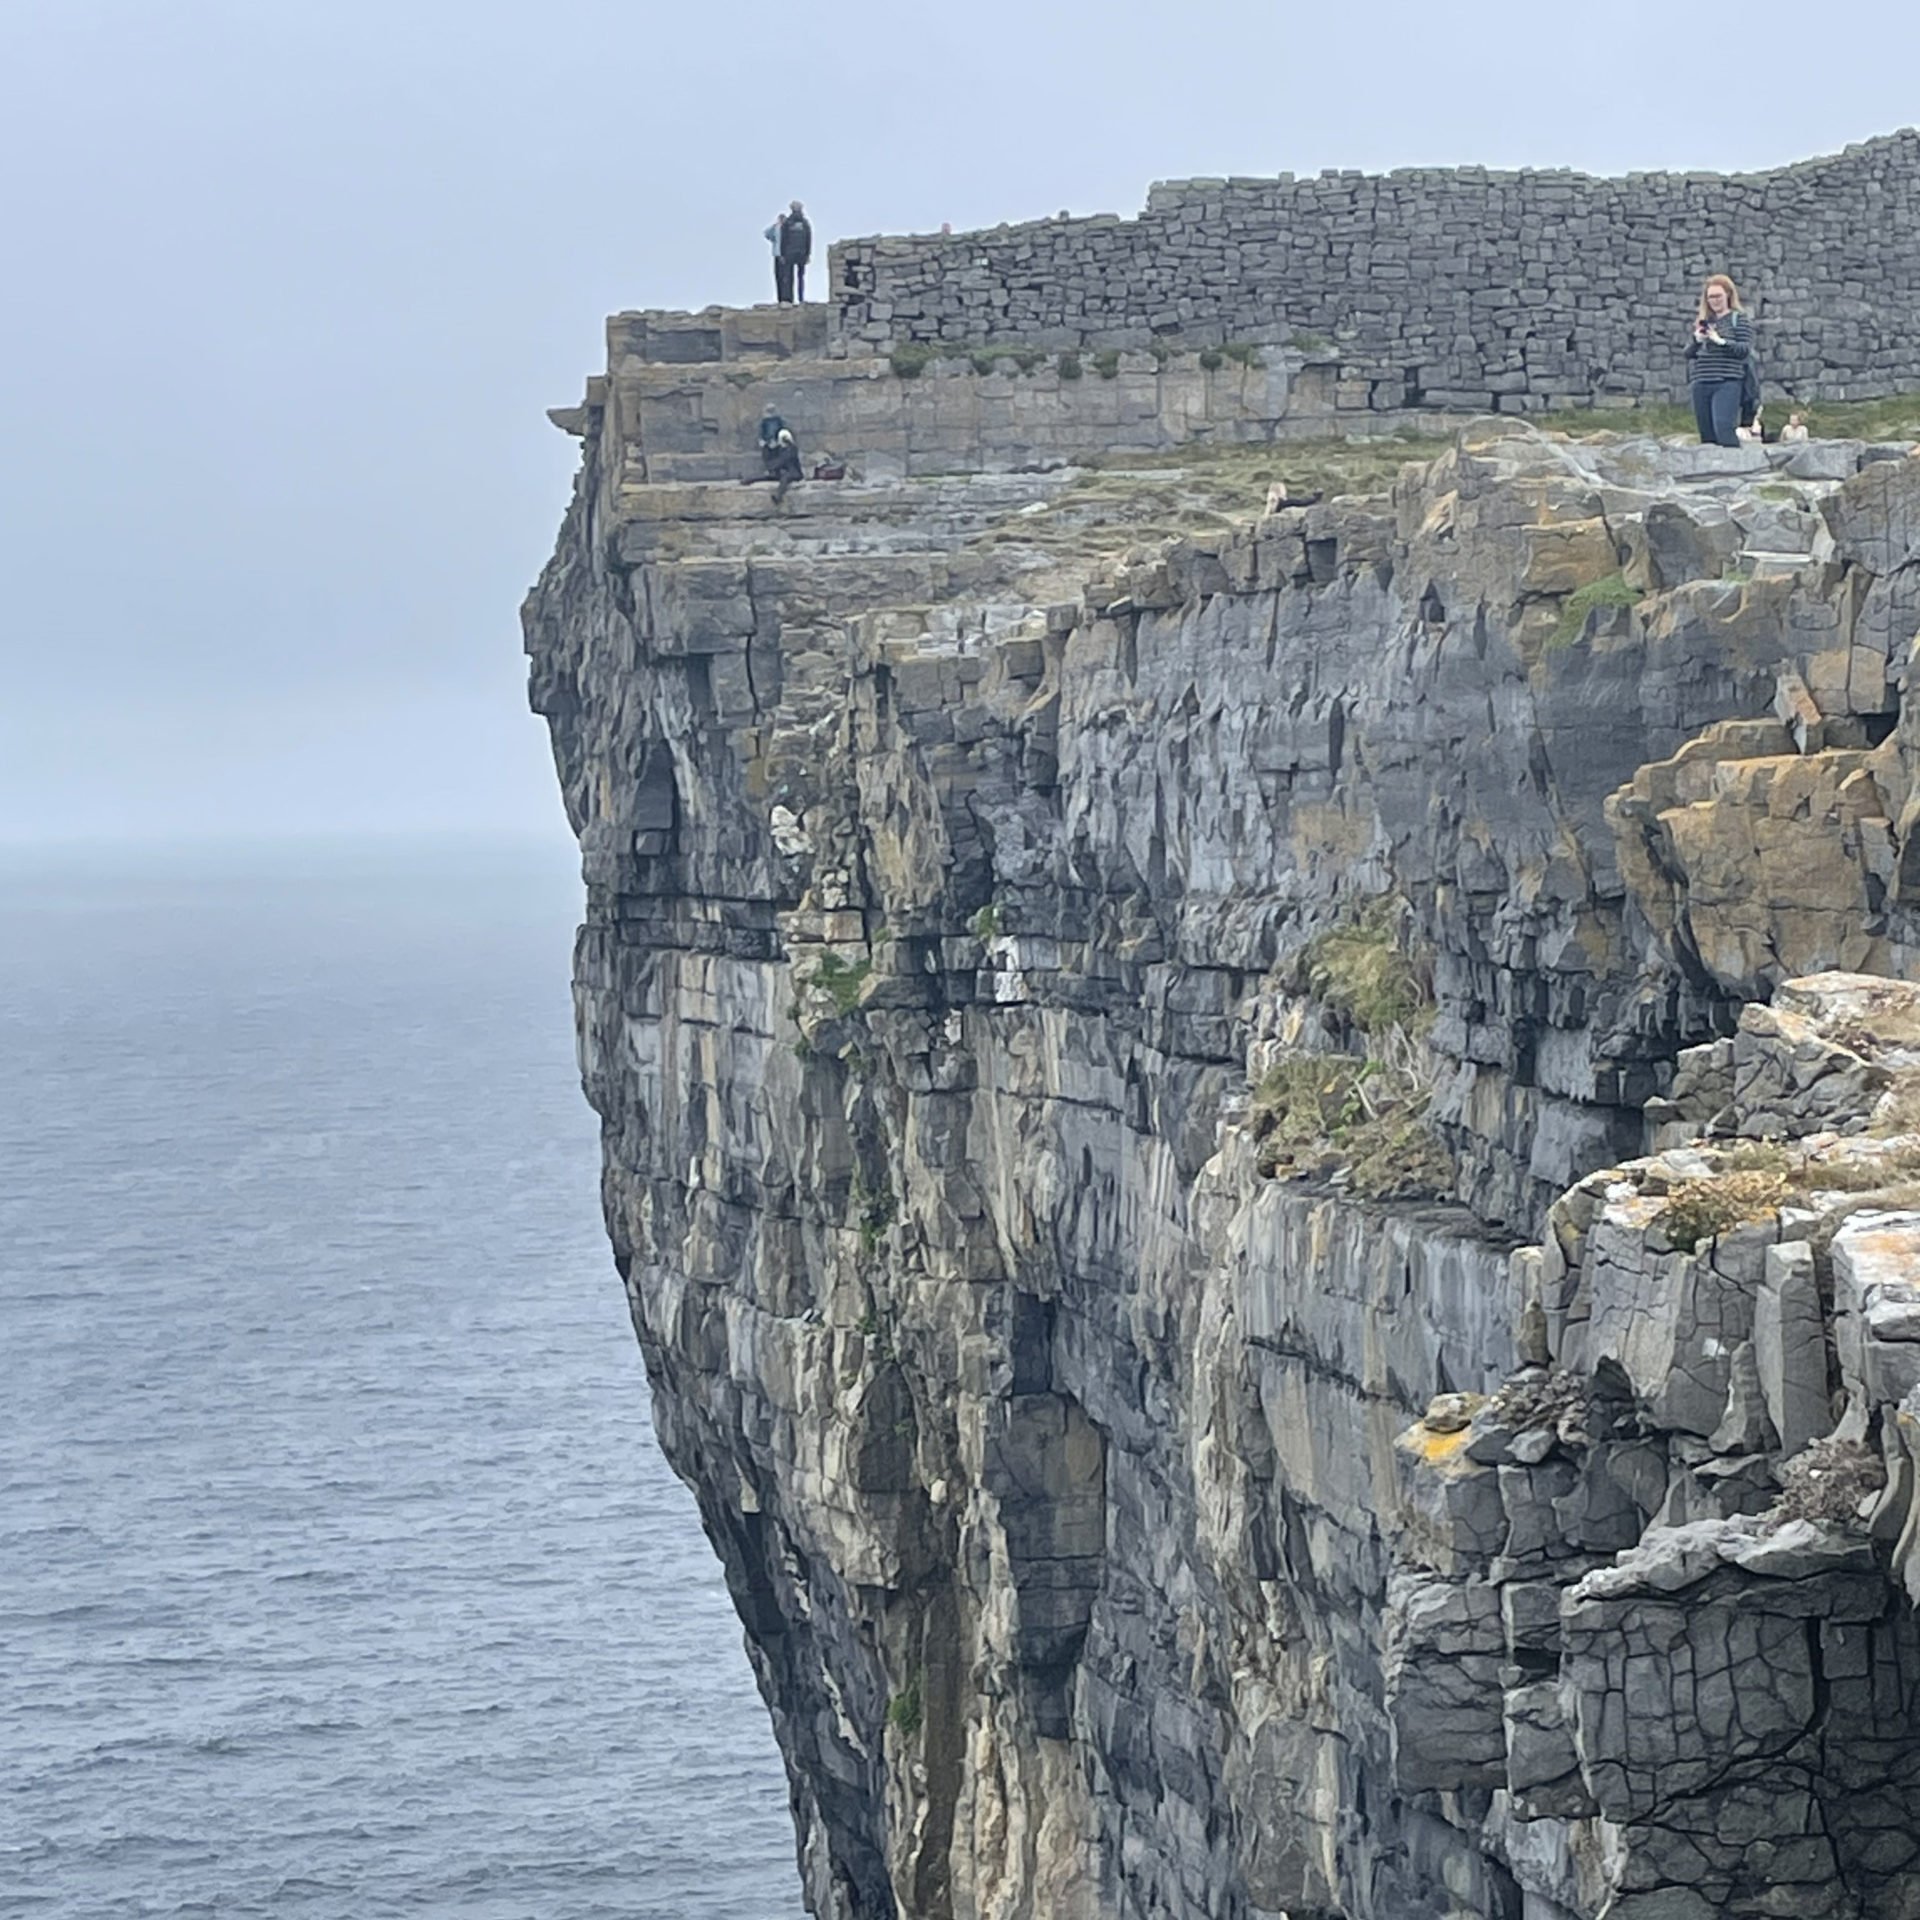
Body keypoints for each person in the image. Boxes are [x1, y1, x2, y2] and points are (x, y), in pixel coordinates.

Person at [1685, 274, 1753, 448]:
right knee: (1707, 434)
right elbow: (1688, 353)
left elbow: (1744, 350)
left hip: (1727, 381)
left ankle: (1736, 466)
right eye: (1710, 297)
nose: (1714, 301)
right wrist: (1697, 340)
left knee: (1723, 428)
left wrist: (1721, 341)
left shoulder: (1739, 320)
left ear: (1728, 295)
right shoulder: (1705, 322)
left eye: (1718, 296)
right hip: (1702, 381)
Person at [776, 201, 812, 303]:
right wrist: (808, 254)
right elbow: (808, 239)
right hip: (801, 253)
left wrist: (782, 254)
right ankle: (801, 298)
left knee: (788, 277)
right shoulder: (805, 223)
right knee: (801, 277)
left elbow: (783, 239)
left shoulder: (787, 223)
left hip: (789, 253)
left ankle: (788, 299)